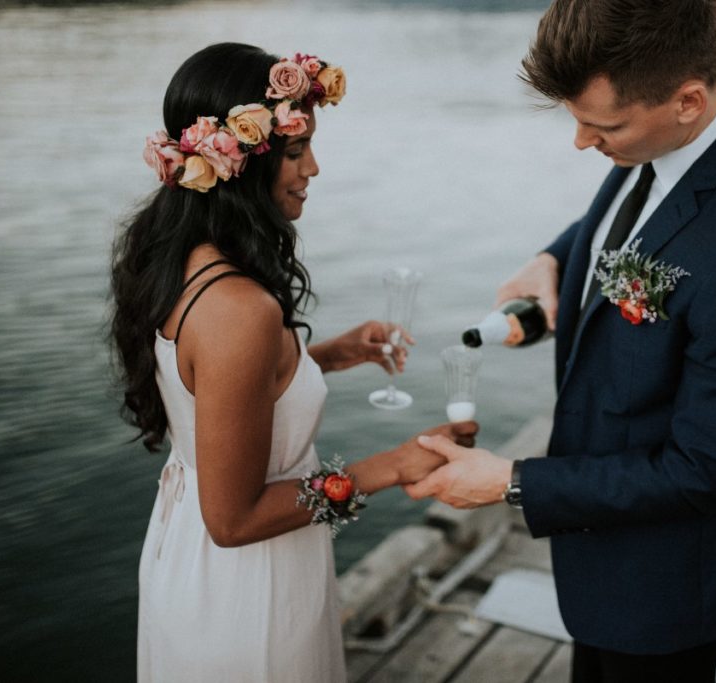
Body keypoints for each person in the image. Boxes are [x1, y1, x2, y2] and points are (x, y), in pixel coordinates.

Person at [405, 1, 716, 681]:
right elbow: (636, 221)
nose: (580, 143)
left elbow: (701, 470)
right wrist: (555, 259)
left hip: (666, 585)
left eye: (600, 126)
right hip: (603, 553)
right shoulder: (676, 134)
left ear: (688, 100)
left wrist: (509, 481)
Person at [109, 42, 475, 682]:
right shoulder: (239, 310)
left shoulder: (177, 253)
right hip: (247, 588)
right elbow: (235, 519)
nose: (314, 169)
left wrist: (327, 355)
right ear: (243, 162)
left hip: (191, 561)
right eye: (297, 152)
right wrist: (393, 465)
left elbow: (213, 392)